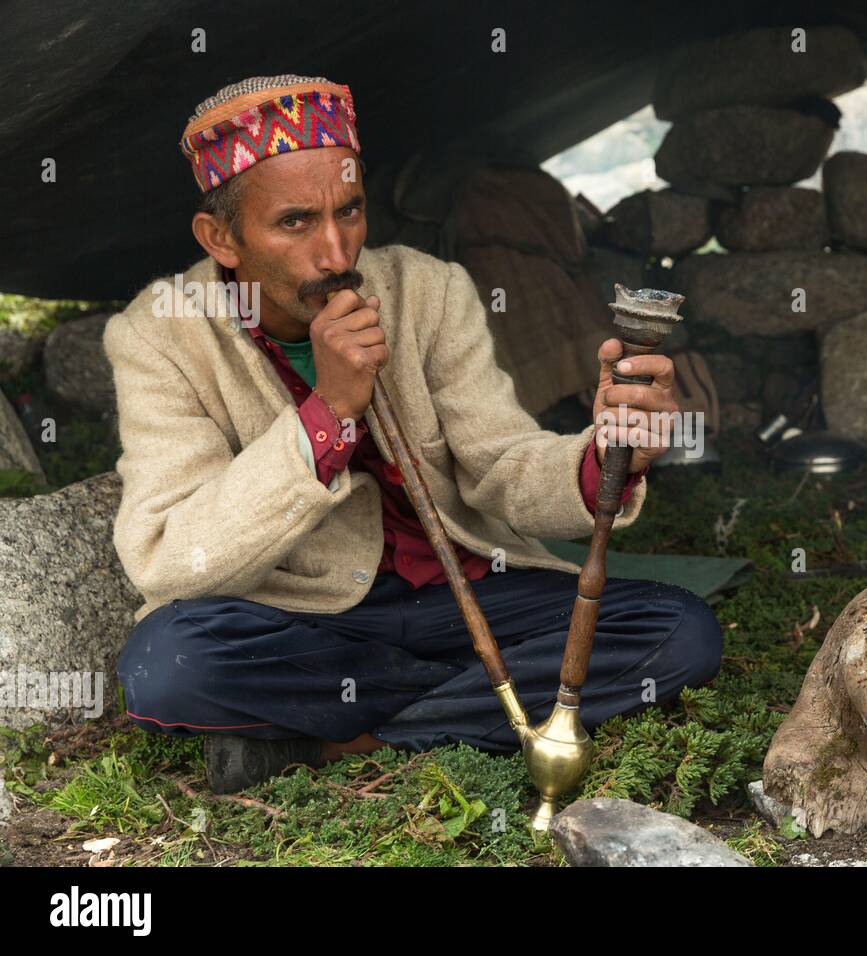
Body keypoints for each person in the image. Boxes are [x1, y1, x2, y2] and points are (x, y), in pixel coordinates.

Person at [106, 75, 722, 794]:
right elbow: (168, 559)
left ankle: (353, 740)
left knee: (680, 631)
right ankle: (463, 706)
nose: (336, 253)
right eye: (296, 223)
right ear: (222, 239)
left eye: (351, 211)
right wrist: (328, 414)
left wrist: (606, 459)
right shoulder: (161, 336)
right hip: (306, 617)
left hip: (464, 587)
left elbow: (500, 463)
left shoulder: (427, 291)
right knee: (167, 663)